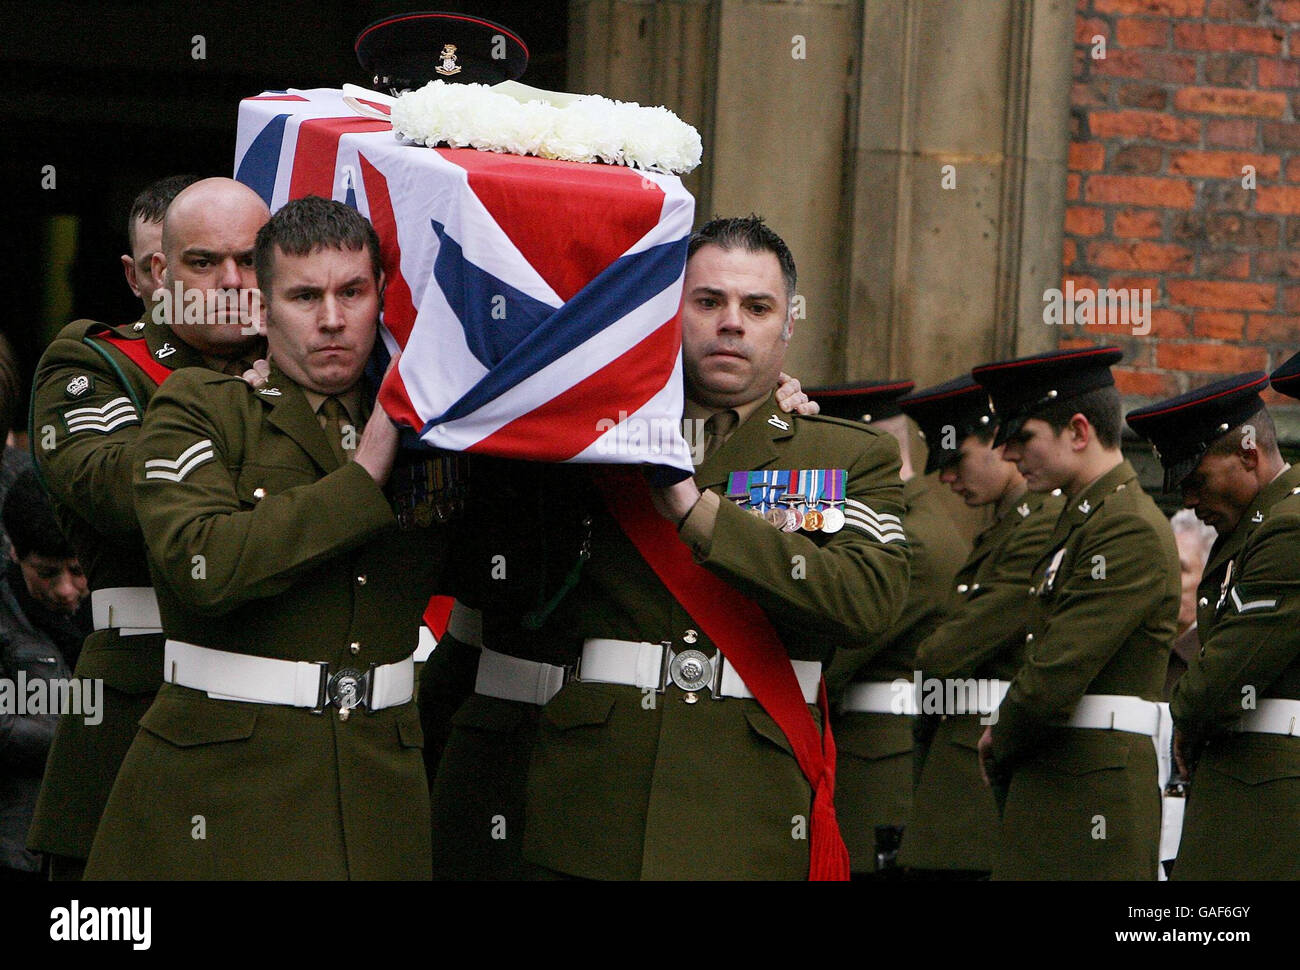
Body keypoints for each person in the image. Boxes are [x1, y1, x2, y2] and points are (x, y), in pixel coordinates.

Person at [439, 216, 911, 880]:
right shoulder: (594, 436)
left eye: (757, 306)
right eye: (708, 301)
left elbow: (869, 600)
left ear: (788, 324)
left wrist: (699, 515)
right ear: (671, 310)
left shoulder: (842, 453)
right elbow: (493, 567)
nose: (731, 323)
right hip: (593, 803)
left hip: (748, 807)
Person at [84, 196, 445, 880]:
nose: (333, 319)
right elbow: (204, 566)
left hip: (378, 800)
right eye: (305, 296)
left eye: (353, 292)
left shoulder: (430, 431)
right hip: (224, 798)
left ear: (383, 300)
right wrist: (363, 477)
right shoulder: (200, 408)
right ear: (262, 306)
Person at [27, 175, 264, 879]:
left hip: (275, 736)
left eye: (251, 259)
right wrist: (235, 411)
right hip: (138, 705)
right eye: (204, 262)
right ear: (159, 273)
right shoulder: (94, 362)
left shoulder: (310, 372)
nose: (231, 281)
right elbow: (116, 490)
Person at [971, 345, 1179, 880]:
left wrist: (1003, 736)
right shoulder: (1085, 518)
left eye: (1024, 439)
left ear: (1079, 432)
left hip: (1093, 784)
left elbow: (1058, 669)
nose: (1012, 456)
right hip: (1066, 774)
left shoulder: (1124, 526)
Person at [1128, 366, 1300, 880]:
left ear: (1249, 454)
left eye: (1196, 480)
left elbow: (1219, 683)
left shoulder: (1288, 530)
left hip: (1268, 800)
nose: (1187, 501)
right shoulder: (1257, 528)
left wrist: (1186, 714)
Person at [892, 375, 1062, 878]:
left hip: (982, 763)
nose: (946, 479)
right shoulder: (1010, 525)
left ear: (996, 443)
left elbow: (952, 648)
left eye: (955, 460)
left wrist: (932, 656)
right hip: (960, 751)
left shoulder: (1039, 527)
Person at [811, 379, 968, 877]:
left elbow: (834, 657)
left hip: (876, 764)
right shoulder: (902, 523)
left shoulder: (909, 538)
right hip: (868, 752)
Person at [0, 470, 90, 879]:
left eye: (77, 570)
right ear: (16, 554)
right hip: (21, 844)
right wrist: (80, 738)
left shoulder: (122, 609)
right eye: (48, 573)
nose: (66, 589)